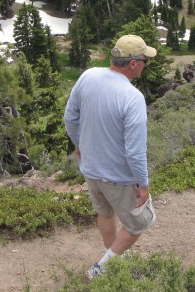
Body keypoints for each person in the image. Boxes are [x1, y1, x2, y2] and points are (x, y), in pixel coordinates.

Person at [64, 34, 158, 280]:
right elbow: (135, 151)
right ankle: (102, 268)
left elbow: (69, 118)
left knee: (105, 213)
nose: (146, 64)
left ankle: (112, 261)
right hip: (117, 175)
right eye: (144, 59)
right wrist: (143, 184)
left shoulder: (88, 76)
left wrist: (79, 144)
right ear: (133, 64)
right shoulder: (132, 97)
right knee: (139, 224)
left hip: (90, 168)